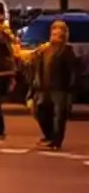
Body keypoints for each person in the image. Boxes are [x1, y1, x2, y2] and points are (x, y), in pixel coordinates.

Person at [28, 20, 79, 150]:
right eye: (54, 30)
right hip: (43, 87)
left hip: (60, 88)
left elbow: (72, 71)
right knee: (41, 111)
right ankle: (49, 135)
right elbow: (33, 63)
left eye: (59, 31)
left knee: (59, 116)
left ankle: (56, 141)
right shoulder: (45, 49)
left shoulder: (67, 50)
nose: (56, 33)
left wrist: (70, 88)